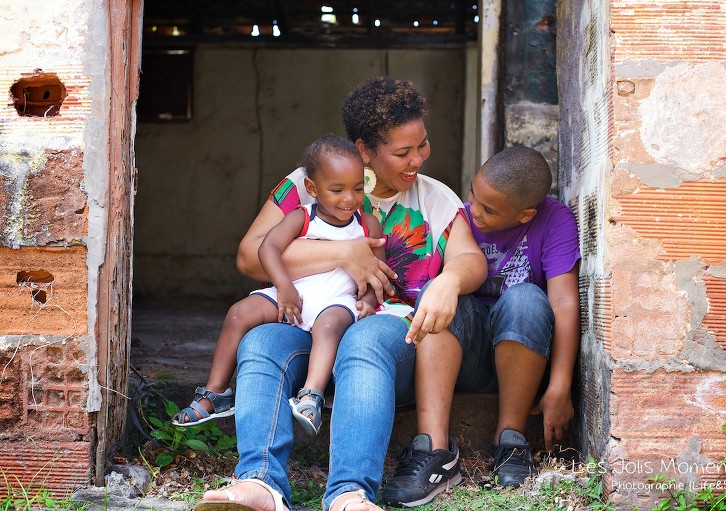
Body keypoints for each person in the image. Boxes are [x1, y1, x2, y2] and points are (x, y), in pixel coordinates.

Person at [194, 76, 487, 511]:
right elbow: (250, 257)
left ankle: (350, 492)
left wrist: (448, 281)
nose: (418, 160)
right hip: (307, 319)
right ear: (364, 150)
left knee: (362, 340)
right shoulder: (306, 184)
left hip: (384, 335)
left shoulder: (434, 198)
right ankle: (259, 483)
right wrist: (343, 253)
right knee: (260, 341)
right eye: (402, 152)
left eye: (421, 146)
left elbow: (471, 260)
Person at [381, 145, 581, 506]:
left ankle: (511, 441)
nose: (474, 211)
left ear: (525, 216)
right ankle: (434, 449)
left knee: (525, 297)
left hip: (522, 355)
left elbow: (564, 302)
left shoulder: (555, 220)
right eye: (473, 196)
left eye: (488, 209)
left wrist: (561, 385)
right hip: (461, 354)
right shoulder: (459, 216)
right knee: (441, 292)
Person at [173, 134, 383, 438]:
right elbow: (267, 248)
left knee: (328, 327)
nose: (349, 198)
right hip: (292, 294)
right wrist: (283, 286)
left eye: (358, 189)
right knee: (239, 313)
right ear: (312, 188)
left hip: (336, 301)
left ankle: (311, 396)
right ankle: (214, 394)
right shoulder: (302, 218)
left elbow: (378, 269)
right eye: (337, 190)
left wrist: (370, 301)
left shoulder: (367, 225)